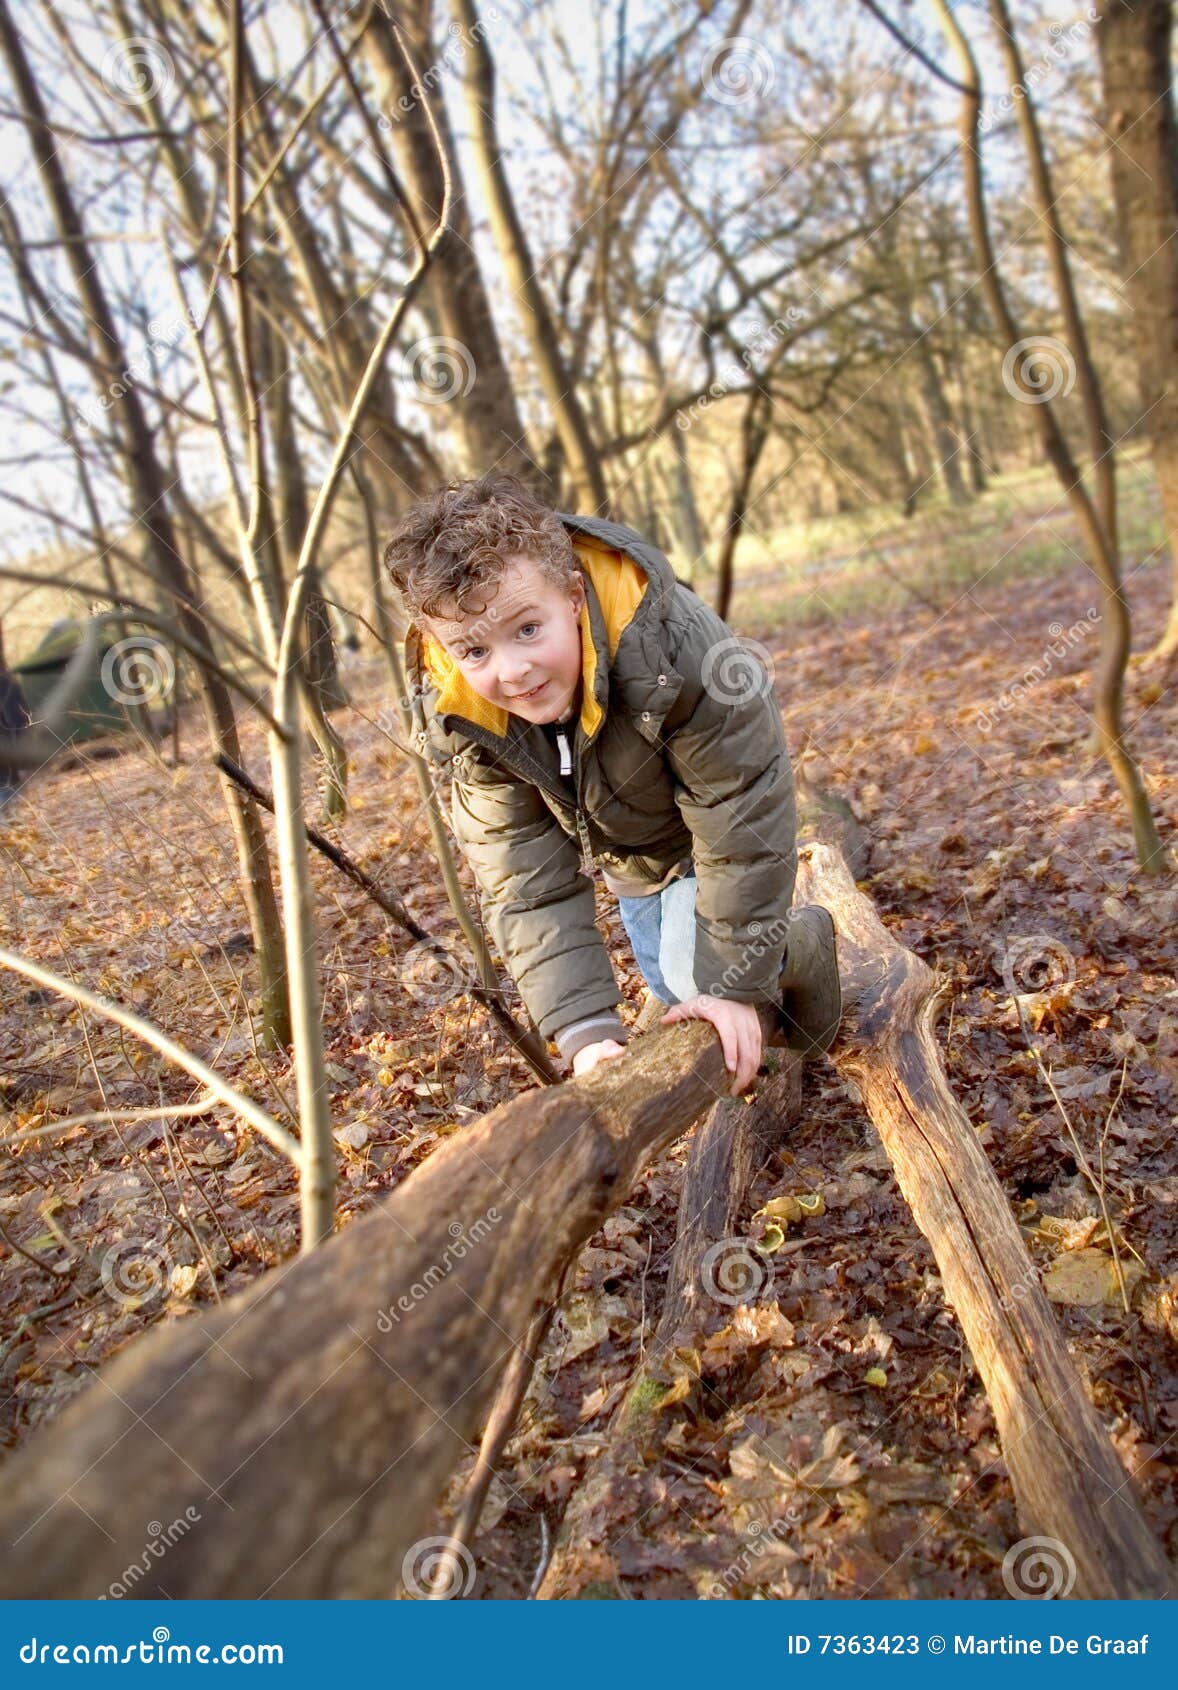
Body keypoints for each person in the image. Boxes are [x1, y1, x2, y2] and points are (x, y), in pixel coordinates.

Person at [387, 473, 841, 1096]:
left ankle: (804, 944)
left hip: (708, 832)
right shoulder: (466, 715)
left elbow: (741, 805)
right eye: (473, 651)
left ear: (573, 596)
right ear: (444, 650)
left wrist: (731, 984)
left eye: (526, 630)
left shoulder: (674, 648)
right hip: (631, 849)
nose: (512, 671)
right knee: (666, 979)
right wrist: (583, 1028)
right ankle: (795, 1008)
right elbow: (523, 879)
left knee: (699, 976)